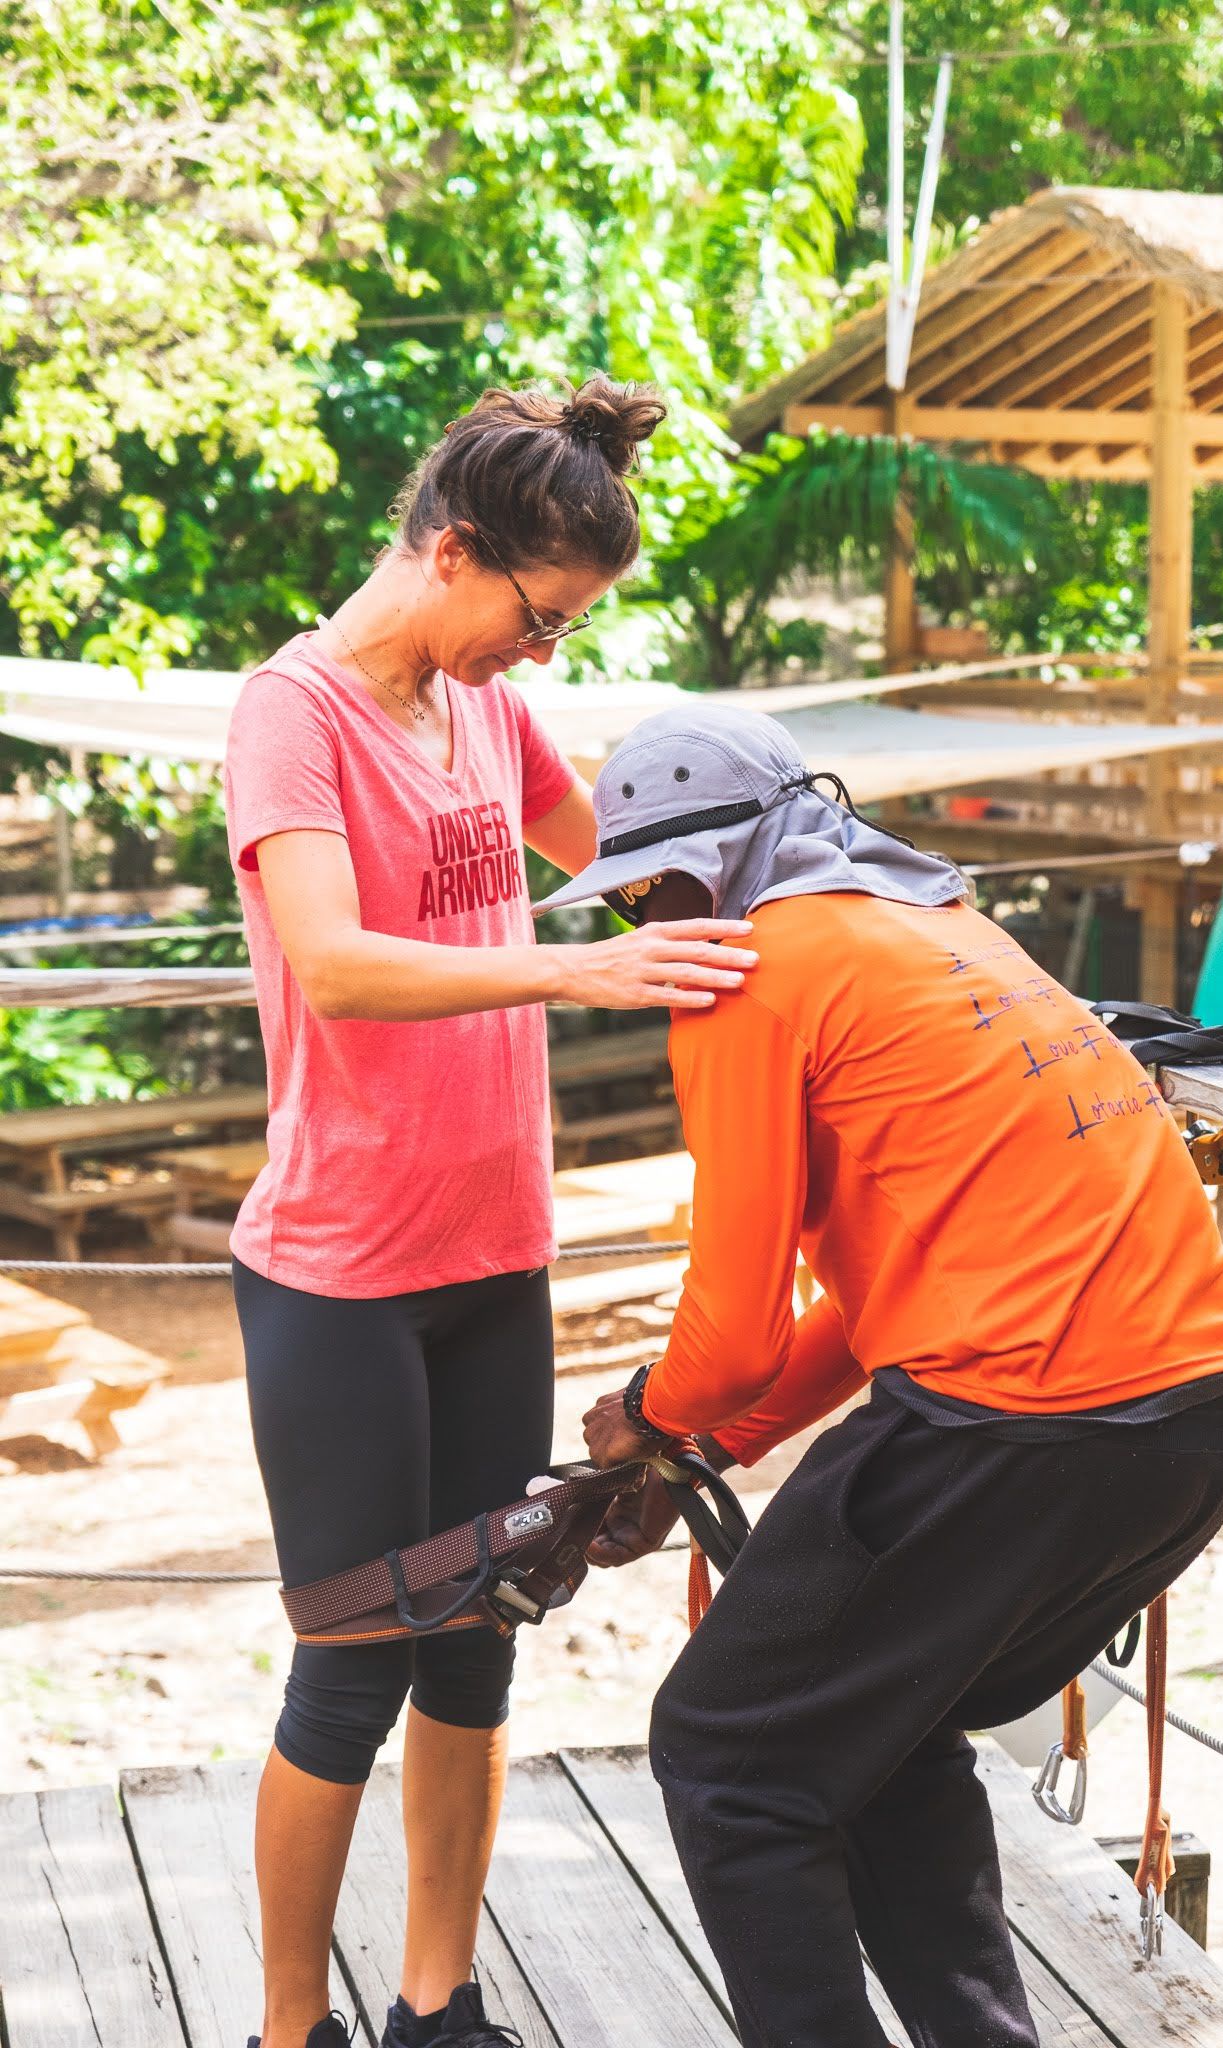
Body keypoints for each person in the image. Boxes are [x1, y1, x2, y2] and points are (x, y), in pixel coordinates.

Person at [550, 701, 1223, 2048]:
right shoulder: (942, 934)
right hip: (1190, 1421)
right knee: (880, 1721)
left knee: (730, 1759)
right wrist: (694, 1445)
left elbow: (728, 1332)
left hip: (1020, 1425)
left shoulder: (748, 971)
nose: (639, 920)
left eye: (649, 888)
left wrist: (653, 1418)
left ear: (708, 874)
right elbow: (865, 1309)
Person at [223, 379, 759, 2048]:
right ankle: (285, 2029)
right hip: (340, 1276)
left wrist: (791, 899)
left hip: (491, 1255)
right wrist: (578, 961)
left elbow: (624, 858)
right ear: (450, 552)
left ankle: (432, 2009)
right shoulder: (291, 713)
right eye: (535, 618)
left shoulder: (485, 713)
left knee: (479, 1652)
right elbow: (335, 962)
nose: (543, 656)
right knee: (354, 1668)